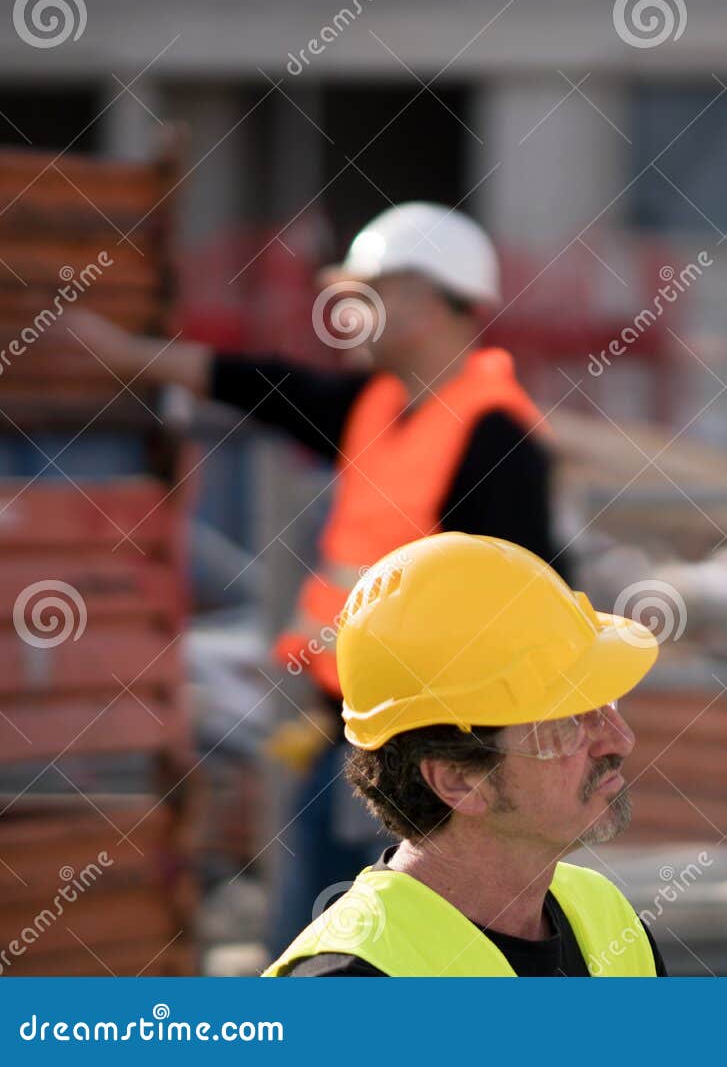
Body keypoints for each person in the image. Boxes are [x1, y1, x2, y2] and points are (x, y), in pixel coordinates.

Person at [61, 202, 562, 952]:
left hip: (433, 762)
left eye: (370, 292)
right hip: (353, 737)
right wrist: (131, 354)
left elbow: (518, 614)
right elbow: (262, 384)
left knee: (382, 951)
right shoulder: (380, 406)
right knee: (320, 941)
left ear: (427, 301)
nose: (349, 312)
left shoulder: (498, 436)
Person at [263, 531, 662, 976]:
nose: (619, 740)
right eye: (565, 725)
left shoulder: (606, 917)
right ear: (457, 779)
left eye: (603, 705)